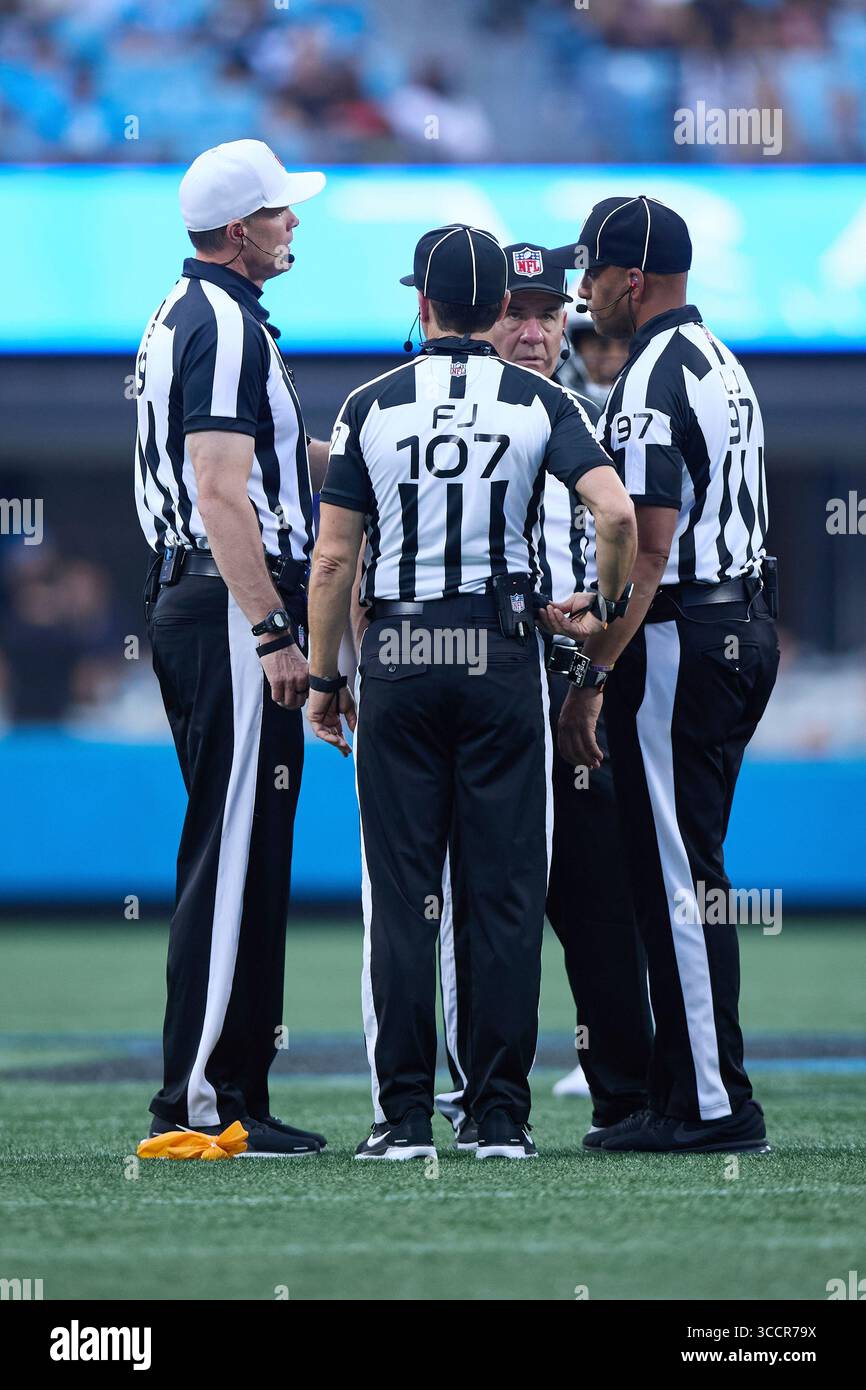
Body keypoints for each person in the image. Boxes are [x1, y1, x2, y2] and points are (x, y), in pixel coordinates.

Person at [306, 223, 637, 1160]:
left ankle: (403, 1118)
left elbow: (335, 561)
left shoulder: (369, 404)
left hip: (405, 651)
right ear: (497, 308)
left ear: (422, 306)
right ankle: (499, 1119)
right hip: (501, 654)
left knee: (403, 895)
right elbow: (612, 512)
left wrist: (328, 677)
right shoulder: (539, 398)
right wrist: (606, 603)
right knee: (501, 896)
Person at [546, 196, 780, 1153]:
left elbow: (646, 553)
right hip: (738, 623)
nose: (581, 292)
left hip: (686, 637)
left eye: (591, 273)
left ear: (628, 279)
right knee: (687, 869)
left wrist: (595, 663)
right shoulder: (718, 360)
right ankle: (691, 1088)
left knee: (678, 877)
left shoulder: (649, 379)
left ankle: (713, 1107)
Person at [134, 139, 332, 1156]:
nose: (292, 222)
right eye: (280, 211)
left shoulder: (199, 312)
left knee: (248, 849)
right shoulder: (222, 319)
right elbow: (219, 489)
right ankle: (199, 1100)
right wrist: (268, 626)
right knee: (232, 848)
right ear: (237, 227)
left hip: (208, 600)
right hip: (224, 605)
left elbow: (254, 466)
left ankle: (234, 1093)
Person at [432, 243, 653, 1143]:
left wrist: (596, 653)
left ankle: (629, 1097)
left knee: (602, 904)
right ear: (483, 317)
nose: (533, 329)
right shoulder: (450, 411)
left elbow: (643, 544)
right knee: (483, 903)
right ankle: (484, 1098)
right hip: (489, 678)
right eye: (515, 312)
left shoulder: (597, 414)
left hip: (582, 680)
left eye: (549, 312)